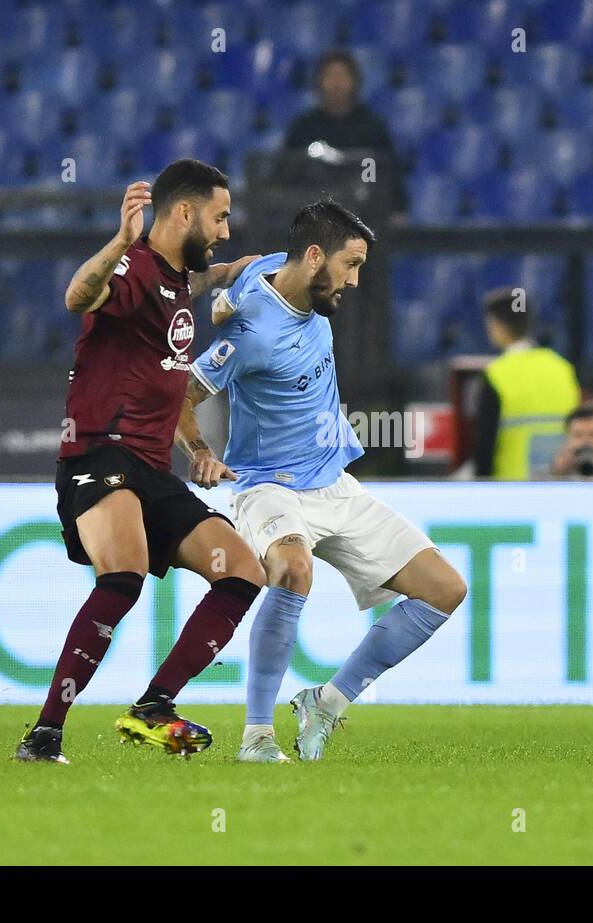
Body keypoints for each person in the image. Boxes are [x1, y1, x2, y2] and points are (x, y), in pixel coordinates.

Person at [182, 199, 467, 762]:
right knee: (292, 569)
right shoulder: (251, 336)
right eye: (350, 264)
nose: (354, 281)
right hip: (270, 486)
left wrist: (217, 291)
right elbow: (180, 399)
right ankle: (256, 737)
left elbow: (243, 268)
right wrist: (201, 453)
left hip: (335, 483)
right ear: (315, 256)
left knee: (445, 590)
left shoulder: (271, 266)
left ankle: (326, 703)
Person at [15, 161, 265, 764]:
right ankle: (44, 735)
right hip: (100, 455)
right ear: (185, 213)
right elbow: (78, 296)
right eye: (220, 218)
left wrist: (258, 269)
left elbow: (207, 278)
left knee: (242, 571)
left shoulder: (176, 279)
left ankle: (155, 704)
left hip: (153, 471)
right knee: (123, 575)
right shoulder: (131, 266)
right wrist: (120, 241)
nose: (225, 230)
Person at [472, 287, 582, 479]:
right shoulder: (562, 369)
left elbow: (485, 446)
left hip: (511, 486)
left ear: (496, 326)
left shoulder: (496, 374)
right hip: (558, 484)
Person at [284, 50, 407, 214]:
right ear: (319, 82)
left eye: (342, 76)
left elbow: (387, 174)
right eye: (330, 76)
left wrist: (397, 210)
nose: (336, 83)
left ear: (354, 81)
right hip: (314, 215)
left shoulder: (372, 127)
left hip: (365, 215)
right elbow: (285, 175)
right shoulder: (303, 128)